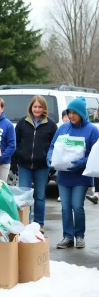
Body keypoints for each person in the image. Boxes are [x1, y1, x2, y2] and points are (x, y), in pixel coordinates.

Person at [47, 97, 99, 249]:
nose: (71, 116)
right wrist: (49, 158)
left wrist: (82, 163)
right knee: (65, 207)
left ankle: (80, 236)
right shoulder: (63, 128)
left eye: (74, 113)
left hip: (81, 176)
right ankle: (67, 237)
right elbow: (52, 146)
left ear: (82, 113)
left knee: (77, 206)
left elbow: (95, 154)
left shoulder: (92, 130)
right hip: (64, 175)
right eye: (69, 112)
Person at [15, 95, 57, 234]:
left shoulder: (51, 125)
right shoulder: (22, 123)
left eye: (40, 107)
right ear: (31, 107)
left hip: (42, 167)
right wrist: (19, 157)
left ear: (44, 108)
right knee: (25, 196)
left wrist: (50, 164)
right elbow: (17, 142)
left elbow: (54, 146)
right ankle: (26, 223)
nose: (37, 109)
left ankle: (39, 224)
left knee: (39, 196)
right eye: (35, 106)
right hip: (24, 165)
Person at [57, 110, 70, 202]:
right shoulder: (61, 128)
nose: (68, 118)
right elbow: (53, 144)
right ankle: (61, 195)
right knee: (61, 177)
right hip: (61, 160)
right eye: (65, 116)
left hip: (73, 160)